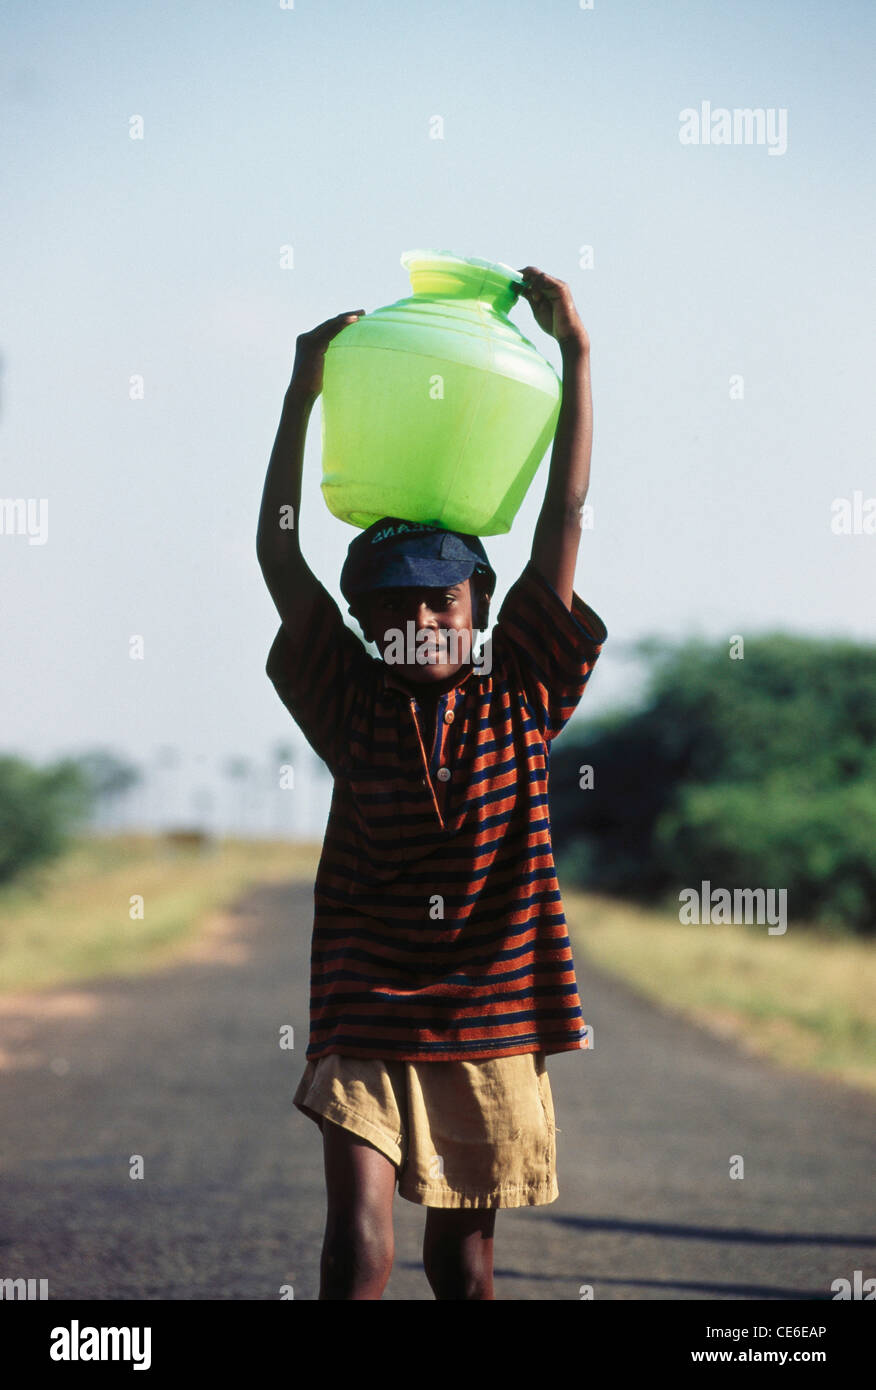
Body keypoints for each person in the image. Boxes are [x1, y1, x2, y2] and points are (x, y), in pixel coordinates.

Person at [256, 266, 607, 1300]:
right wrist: (299, 395)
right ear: (365, 621)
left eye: (442, 601)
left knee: (464, 1259)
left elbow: (567, 514)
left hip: (491, 1019)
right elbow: (280, 555)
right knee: (356, 1240)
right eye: (392, 608)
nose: (419, 622)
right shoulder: (348, 698)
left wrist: (579, 354)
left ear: (482, 602)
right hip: (366, 1011)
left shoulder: (524, 691)